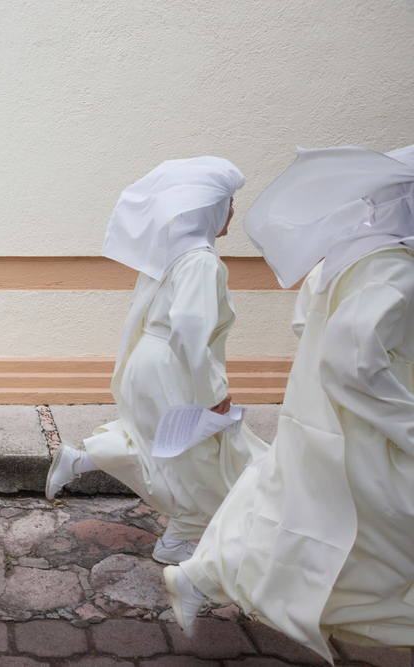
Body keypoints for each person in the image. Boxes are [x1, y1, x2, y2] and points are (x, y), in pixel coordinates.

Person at [165, 145, 414, 666]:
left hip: (315, 410)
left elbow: (308, 325)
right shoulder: (396, 266)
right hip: (363, 425)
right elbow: (356, 364)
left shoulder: (351, 250)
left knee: (287, 498)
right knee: (375, 527)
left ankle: (200, 574)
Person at [45, 156, 269, 564]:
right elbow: (190, 330)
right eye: (229, 204)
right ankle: (181, 539)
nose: (233, 214)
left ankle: (80, 460)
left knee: (154, 442)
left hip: (148, 363)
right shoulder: (201, 260)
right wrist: (212, 392)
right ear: (210, 209)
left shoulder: (169, 254)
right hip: (175, 367)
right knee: (196, 456)